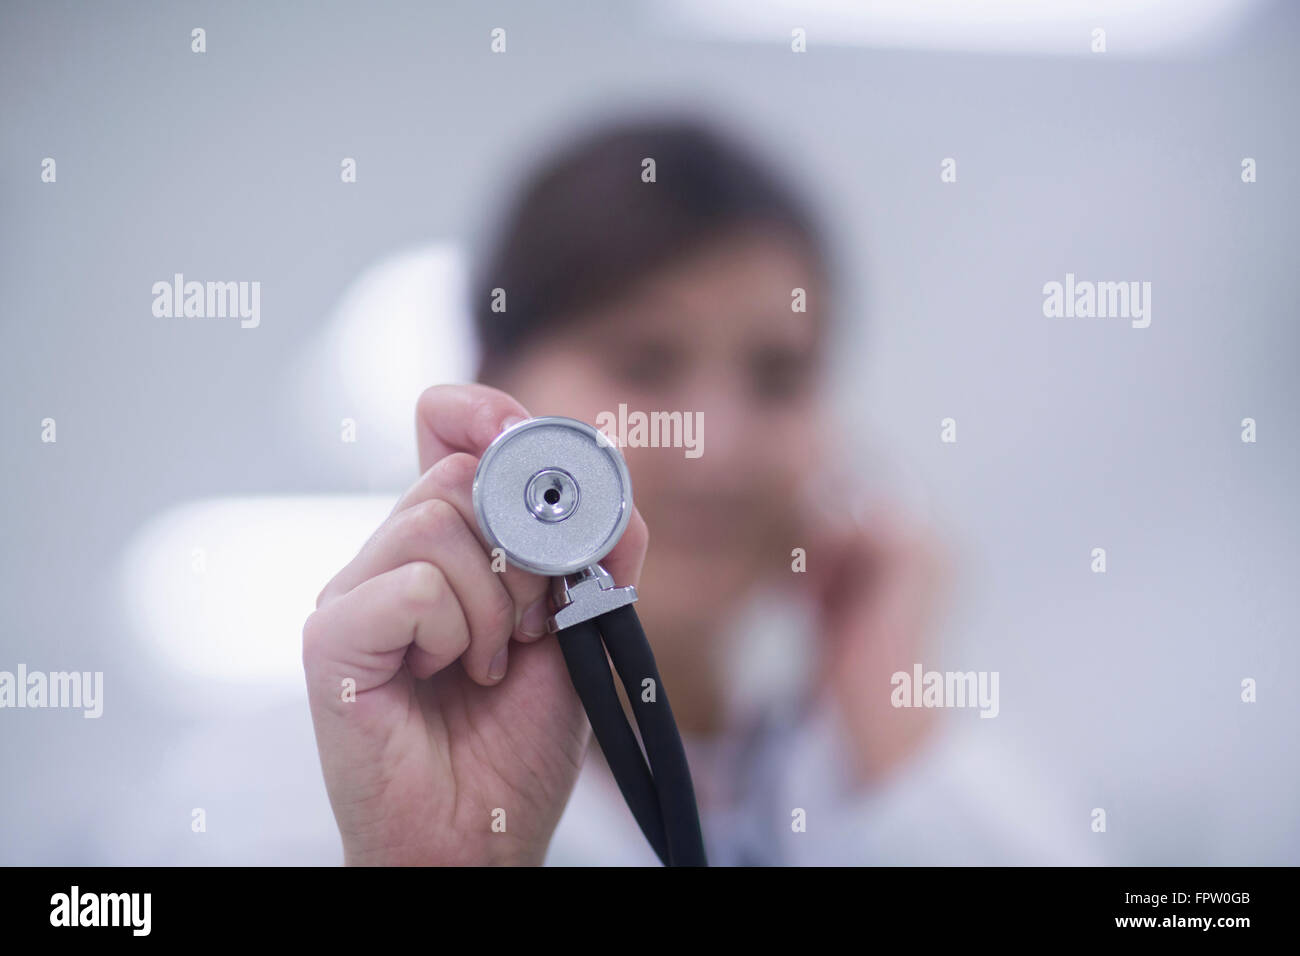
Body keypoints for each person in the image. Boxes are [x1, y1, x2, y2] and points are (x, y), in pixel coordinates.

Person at [303, 117, 1089, 866]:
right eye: (644, 362)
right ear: (495, 391)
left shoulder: (891, 768)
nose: (715, 449)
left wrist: (889, 706)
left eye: (778, 377)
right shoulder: (300, 793)